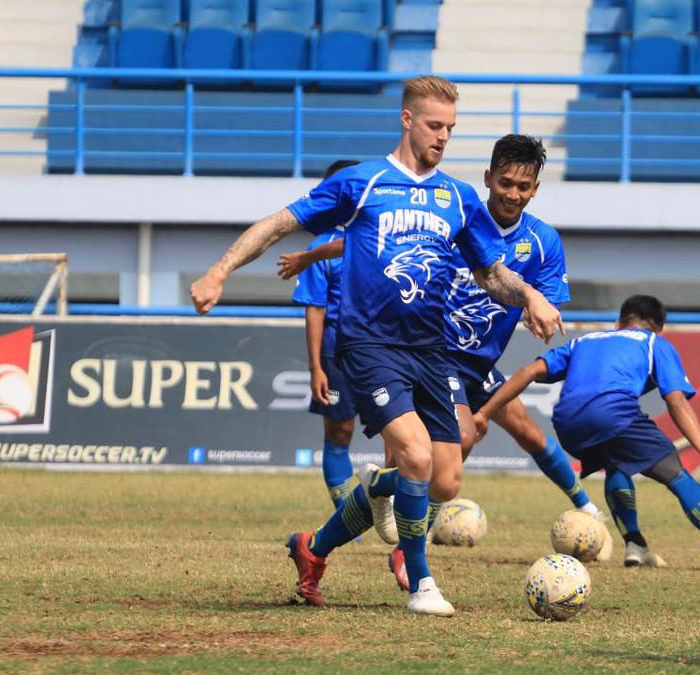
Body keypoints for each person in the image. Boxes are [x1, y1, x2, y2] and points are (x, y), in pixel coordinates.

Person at [190, 75, 563, 617]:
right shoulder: (362, 183)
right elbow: (280, 223)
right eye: (435, 126)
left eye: (451, 129)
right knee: (414, 453)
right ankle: (421, 583)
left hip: (430, 350)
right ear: (407, 120)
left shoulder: (458, 197)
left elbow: (491, 274)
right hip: (369, 344)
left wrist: (528, 294)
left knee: (445, 476)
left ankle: (313, 547)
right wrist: (219, 271)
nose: (443, 137)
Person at [279, 135, 610, 588]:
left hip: (478, 364)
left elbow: (546, 299)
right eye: (506, 182)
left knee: (437, 467)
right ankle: (408, 557)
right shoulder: (459, 215)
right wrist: (310, 255)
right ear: (489, 179)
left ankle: (319, 544)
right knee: (444, 455)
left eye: (523, 186)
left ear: (535, 189)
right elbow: (369, 239)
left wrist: (542, 311)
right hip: (428, 351)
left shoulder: (543, 242)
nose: (513, 193)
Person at [474, 295, 700, 569]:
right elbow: (675, 400)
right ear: (658, 328)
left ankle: (635, 544)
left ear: (618, 323)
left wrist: (483, 413)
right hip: (613, 414)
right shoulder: (654, 343)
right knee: (676, 474)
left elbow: (529, 371)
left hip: (567, 422)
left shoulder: (584, 341)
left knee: (616, 464)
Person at [290, 159, 362, 514]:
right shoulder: (321, 246)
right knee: (339, 434)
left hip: (389, 351)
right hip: (338, 354)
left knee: (401, 437)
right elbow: (314, 308)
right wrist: (316, 367)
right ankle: (348, 520)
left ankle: (398, 519)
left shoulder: (387, 234)